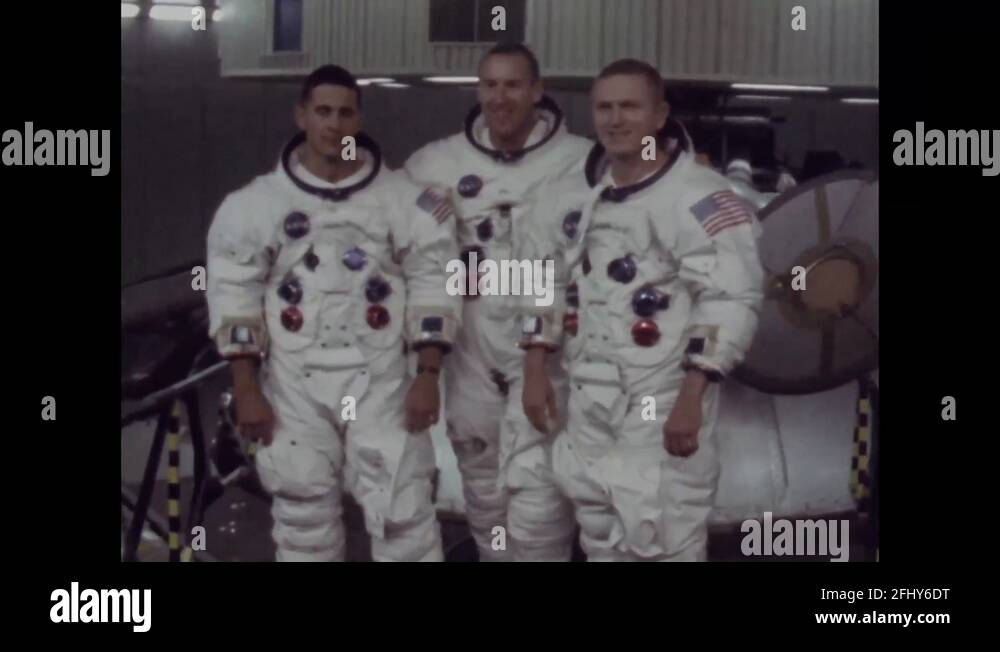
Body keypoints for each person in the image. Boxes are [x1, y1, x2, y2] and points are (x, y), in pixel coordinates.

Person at [205, 65, 460, 562]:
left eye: (345, 112)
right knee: (302, 516)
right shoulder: (254, 206)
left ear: (359, 119)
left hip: (383, 382)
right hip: (296, 384)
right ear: (301, 115)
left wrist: (429, 373)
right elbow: (235, 296)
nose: (334, 124)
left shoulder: (404, 202)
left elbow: (436, 284)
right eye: (322, 111)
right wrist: (246, 388)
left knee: (402, 512)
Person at [518, 59, 764, 561]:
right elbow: (541, 280)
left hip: (663, 398)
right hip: (590, 397)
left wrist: (694, 393)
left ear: (659, 115)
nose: (615, 119)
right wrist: (535, 365)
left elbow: (731, 298)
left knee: (663, 532)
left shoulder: (702, 199)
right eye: (604, 107)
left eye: (629, 105)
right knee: (600, 530)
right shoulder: (571, 199)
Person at [403, 43, 591, 561]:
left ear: (537, 90)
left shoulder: (581, 162)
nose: (499, 97)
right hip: (473, 354)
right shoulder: (434, 165)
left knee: (540, 501)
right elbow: (403, 246)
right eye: (489, 85)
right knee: (485, 501)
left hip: (551, 355)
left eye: (512, 85)